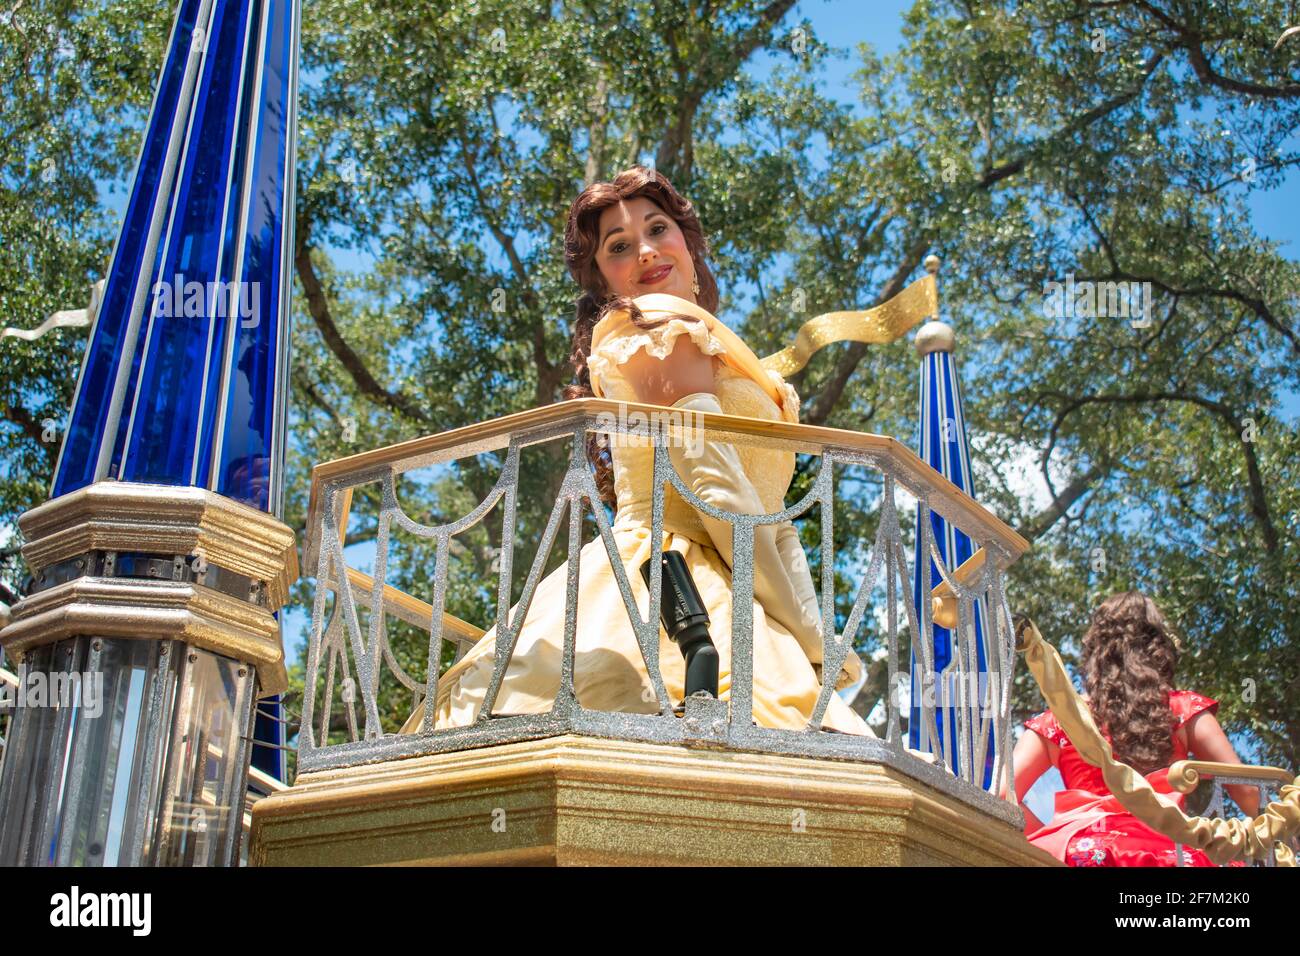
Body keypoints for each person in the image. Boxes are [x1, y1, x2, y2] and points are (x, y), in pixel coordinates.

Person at [401, 165, 869, 735]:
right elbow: (712, 485)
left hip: (735, 568)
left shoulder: (703, 339)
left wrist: (806, 628)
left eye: (657, 229)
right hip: (671, 577)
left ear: (688, 244)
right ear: (604, 282)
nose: (645, 251)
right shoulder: (657, 331)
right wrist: (802, 626)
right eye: (620, 246)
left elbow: (771, 517)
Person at [1005, 591, 1259, 866]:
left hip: (1084, 852)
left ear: (1094, 652)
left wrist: (1047, 845)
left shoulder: (1059, 719)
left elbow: (1003, 794)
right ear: (1158, 646)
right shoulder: (1184, 709)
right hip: (1173, 851)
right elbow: (1249, 793)